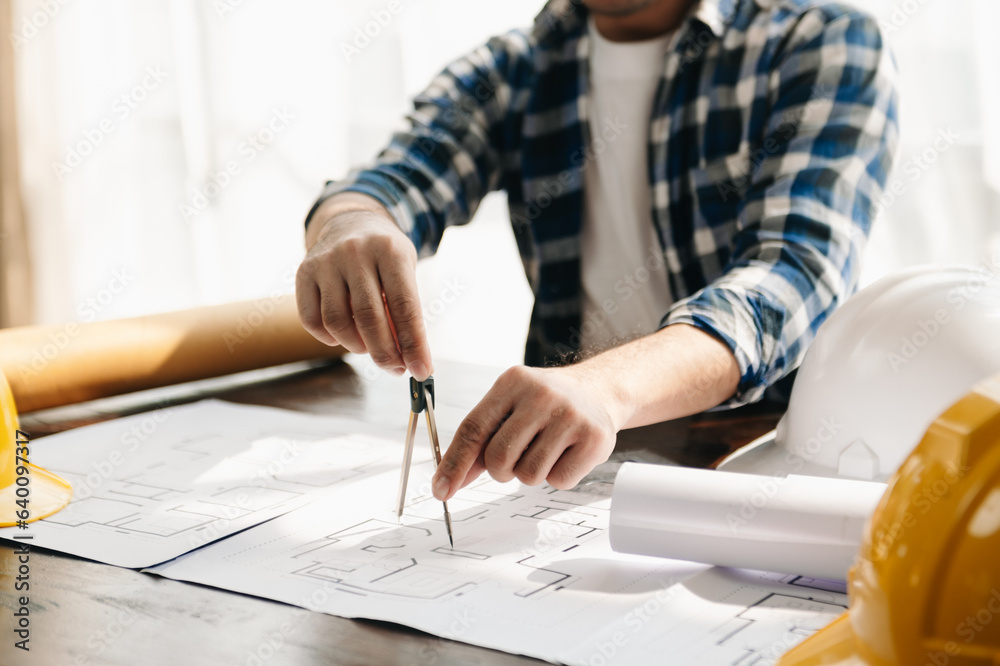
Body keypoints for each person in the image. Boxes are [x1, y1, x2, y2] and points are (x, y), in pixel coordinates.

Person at [296, 0, 898, 504]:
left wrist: (605, 389)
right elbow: (396, 177)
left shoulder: (821, 42)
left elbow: (791, 276)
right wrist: (348, 223)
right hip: (557, 470)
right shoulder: (515, 67)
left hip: (762, 457)